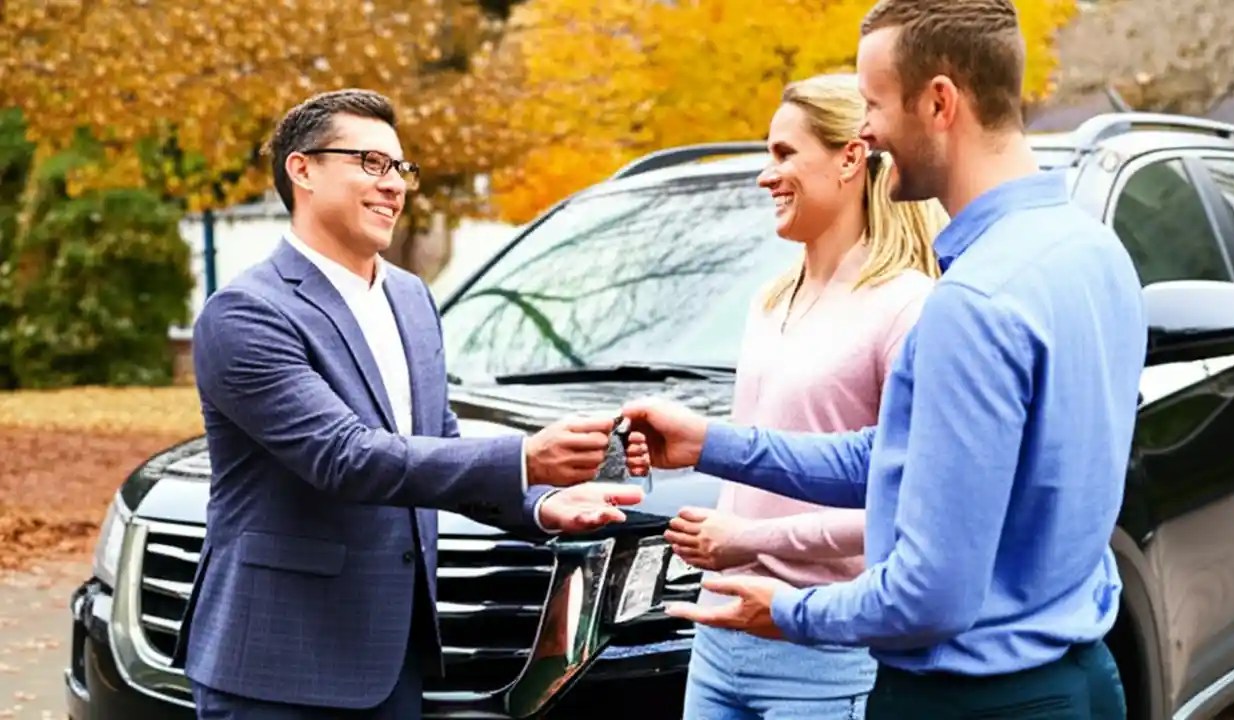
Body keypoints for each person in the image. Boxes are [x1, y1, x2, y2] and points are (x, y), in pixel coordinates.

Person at [625, 1, 1147, 717]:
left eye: (872, 104)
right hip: (1083, 675)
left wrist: (791, 611)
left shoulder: (973, 301)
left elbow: (928, 594)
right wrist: (713, 445)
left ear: (939, 102)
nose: (864, 132)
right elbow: (906, 457)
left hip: (973, 701)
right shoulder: (1096, 252)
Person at [173, 88, 649, 720]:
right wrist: (527, 458)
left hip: (392, 663)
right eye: (370, 163)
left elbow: (439, 447)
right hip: (275, 671)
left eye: (400, 168)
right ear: (302, 169)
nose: (394, 185)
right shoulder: (247, 313)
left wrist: (541, 504)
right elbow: (344, 458)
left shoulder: (411, 298)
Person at [665, 73, 946, 720]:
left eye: (785, 154)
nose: (767, 176)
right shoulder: (769, 300)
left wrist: (748, 538)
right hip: (719, 636)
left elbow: (907, 511)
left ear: (851, 156)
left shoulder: (908, 307)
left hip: (822, 655)